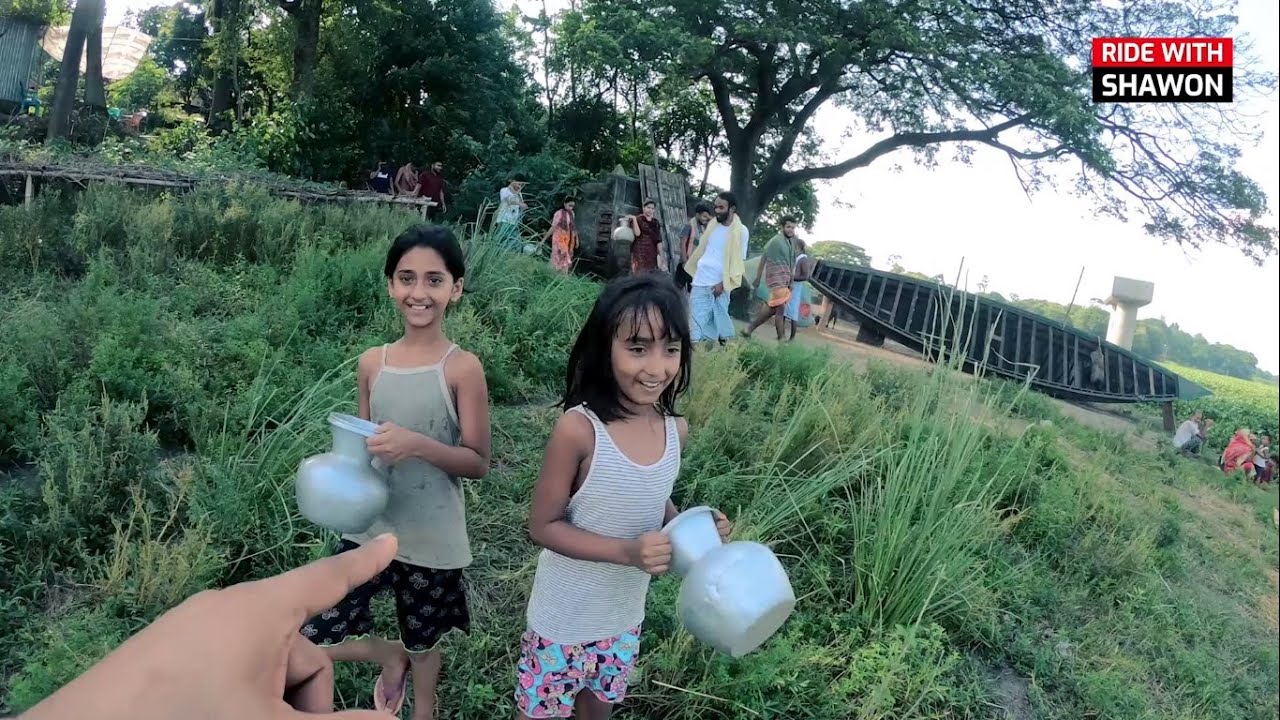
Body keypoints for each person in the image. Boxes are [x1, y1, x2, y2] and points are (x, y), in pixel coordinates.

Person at [514, 273, 732, 719]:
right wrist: (626, 552)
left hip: (623, 620)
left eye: (671, 349)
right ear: (604, 348)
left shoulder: (675, 431)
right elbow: (543, 526)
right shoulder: (579, 430)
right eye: (637, 348)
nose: (656, 368)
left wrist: (694, 529)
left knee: (598, 712)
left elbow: (655, 504)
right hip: (562, 622)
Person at [299, 225, 492, 720]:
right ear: (390, 285)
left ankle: (422, 709)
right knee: (315, 630)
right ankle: (386, 654)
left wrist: (419, 445)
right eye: (406, 278)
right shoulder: (372, 363)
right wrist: (337, 479)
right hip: (371, 525)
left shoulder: (462, 368)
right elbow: (362, 445)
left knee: (423, 641)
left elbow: (477, 461)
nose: (418, 292)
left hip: (431, 534)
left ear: (456, 288)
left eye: (434, 280)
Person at [684, 192, 749, 348]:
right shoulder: (712, 225)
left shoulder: (741, 231)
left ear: (732, 209)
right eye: (716, 207)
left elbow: (739, 262)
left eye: (721, 207)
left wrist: (723, 284)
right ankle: (692, 355)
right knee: (695, 320)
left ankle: (709, 358)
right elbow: (705, 249)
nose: (717, 211)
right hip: (701, 279)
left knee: (714, 324)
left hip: (720, 284)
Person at [743, 217, 800, 341]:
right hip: (775, 279)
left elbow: (791, 263)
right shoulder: (775, 241)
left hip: (785, 279)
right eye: (788, 227)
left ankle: (749, 328)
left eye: (793, 227)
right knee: (780, 309)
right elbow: (764, 258)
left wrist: (791, 280)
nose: (791, 230)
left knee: (771, 309)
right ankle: (782, 339)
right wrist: (758, 277)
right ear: (782, 227)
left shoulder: (791, 243)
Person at [674, 202, 712, 292]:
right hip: (685, 263)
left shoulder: (702, 228)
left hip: (695, 266)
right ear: (697, 214)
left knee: (693, 291)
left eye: (707, 217)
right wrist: (684, 261)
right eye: (704, 216)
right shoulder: (689, 226)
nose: (706, 219)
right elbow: (682, 243)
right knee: (676, 290)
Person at [784, 240, 814, 341]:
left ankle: (792, 338)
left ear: (799, 248)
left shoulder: (803, 259)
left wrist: (792, 278)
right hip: (789, 286)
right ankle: (782, 334)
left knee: (792, 314)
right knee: (783, 311)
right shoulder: (797, 258)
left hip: (795, 288)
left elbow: (805, 276)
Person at [628, 198, 665, 275]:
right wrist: (634, 219)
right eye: (648, 207)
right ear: (644, 208)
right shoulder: (638, 219)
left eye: (652, 208)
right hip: (639, 251)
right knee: (639, 273)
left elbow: (658, 240)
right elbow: (637, 233)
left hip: (651, 252)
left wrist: (662, 256)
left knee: (650, 274)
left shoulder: (656, 222)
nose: (650, 210)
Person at [544, 195, 579, 274]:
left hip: (567, 238)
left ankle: (558, 276)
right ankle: (555, 274)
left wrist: (576, 239)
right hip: (558, 238)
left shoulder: (572, 213)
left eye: (572, 206)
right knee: (558, 256)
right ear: (564, 204)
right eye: (569, 205)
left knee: (564, 257)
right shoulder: (558, 213)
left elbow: (573, 227)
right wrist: (543, 239)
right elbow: (553, 227)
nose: (571, 208)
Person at [495, 174, 529, 250]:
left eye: (521, 185)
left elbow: (522, 205)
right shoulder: (504, 190)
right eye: (519, 184)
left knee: (515, 242)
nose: (519, 186)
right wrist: (517, 195)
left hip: (514, 221)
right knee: (500, 239)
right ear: (513, 182)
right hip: (504, 220)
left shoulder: (519, 194)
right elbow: (509, 201)